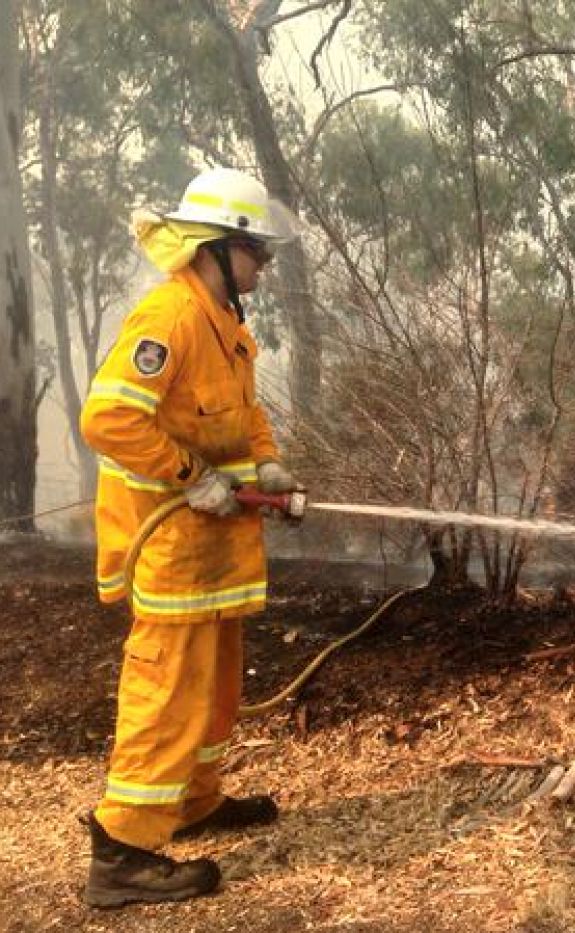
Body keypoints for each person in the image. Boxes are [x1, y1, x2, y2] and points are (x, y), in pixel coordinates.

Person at [80, 167, 303, 908]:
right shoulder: (169, 318)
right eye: (256, 252)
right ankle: (123, 852)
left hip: (216, 550)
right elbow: (108, 418)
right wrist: (188, 475)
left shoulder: (225, 324)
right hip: (174, 544)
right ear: (216, 247)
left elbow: (240, 414)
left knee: (214, 687)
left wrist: (266, 464)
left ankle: (194, 799)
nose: (264, 266)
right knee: (168, 689)